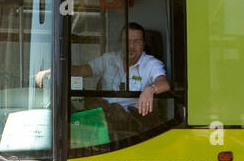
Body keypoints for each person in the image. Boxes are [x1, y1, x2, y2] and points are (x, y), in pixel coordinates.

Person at [36, 22, 168, 116]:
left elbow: (163, 83)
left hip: (127, 121)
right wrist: (53, 71)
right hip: (102, 113)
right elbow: (82, 70)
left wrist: (150, 89)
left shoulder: (151, 63)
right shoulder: (109, 59)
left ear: (144, 44)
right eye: (127, 41)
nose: (131, 46)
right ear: (120, 43)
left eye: (137, 41)